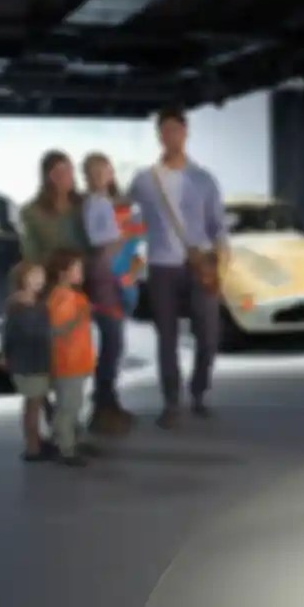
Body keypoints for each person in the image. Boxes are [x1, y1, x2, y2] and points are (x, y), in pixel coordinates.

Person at [127, 105, 229, 429]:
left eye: (177, 129)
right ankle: (172, 402)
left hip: (199, 265)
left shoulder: (203, 178)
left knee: (209, 335)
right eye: (165, 130)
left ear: (185, 133)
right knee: (166, 339)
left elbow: (218, 226)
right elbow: (126, 218)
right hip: (161, 267)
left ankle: (198, 391)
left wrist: (221, 265)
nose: (171, 136)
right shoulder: (144, 181)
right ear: (159, 135)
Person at [81, 152, 140, 435]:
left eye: (105, 169)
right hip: (106, 280)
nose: (103, 175)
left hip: (112, 277)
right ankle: (103, 405)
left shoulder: (102, 203)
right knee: (112, 345)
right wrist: (128, 235)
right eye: (96, 171)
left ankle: (108, 402)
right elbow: (100, 244)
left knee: (113, 344)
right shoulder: (96, 204)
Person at [46, 250, 95, 467]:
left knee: (71, 405)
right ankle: (65, 448)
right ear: (63, 273)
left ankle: (69, 441)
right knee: (68, 407)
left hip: (76, 361)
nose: (81, 273)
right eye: (76, 268)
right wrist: (80, 317)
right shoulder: (64, 299)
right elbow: (58, 331)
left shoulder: (69, 297)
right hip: (69, 363)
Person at [0, 260, 53, 462]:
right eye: (34, 276)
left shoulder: (32, 302)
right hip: (29, 362)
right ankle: (33, 447)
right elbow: (12, 334)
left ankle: (36, 442)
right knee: (33, 405)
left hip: (35, 360)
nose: (39, 280)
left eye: (41, 275)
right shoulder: (21, 305)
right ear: (22, 279)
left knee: (36, 403)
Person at [20, 150, 87, 265]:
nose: (70, 176)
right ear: (50, 176)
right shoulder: (32, 211)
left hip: (89, 271)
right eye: (63, 172)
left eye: (70, 170)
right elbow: (31, 254)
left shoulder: (84, 204)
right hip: (53, 274)